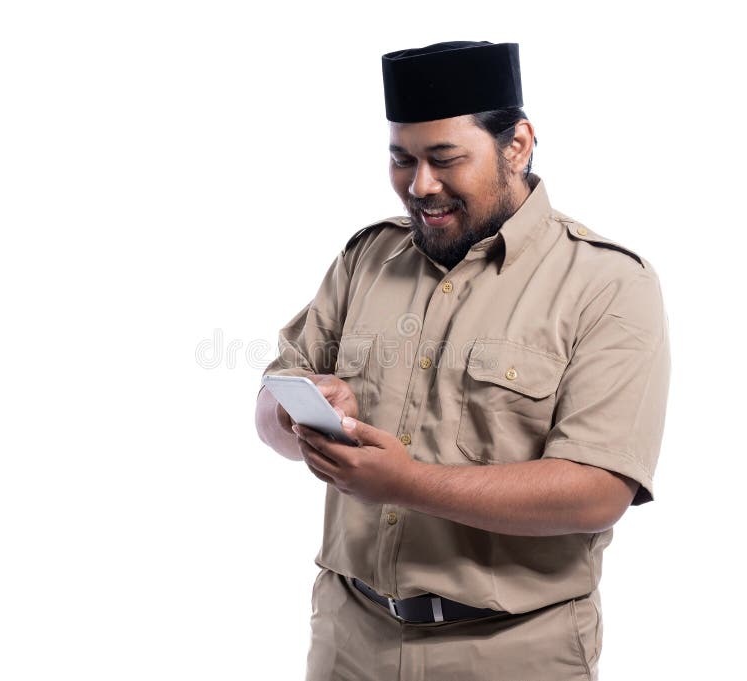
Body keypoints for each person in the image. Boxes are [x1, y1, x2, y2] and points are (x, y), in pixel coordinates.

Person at [254, 40, 670, 681]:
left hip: (511, 653)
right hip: (347, 640)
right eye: (402, 160)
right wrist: (302, 414)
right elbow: (273, 398)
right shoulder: (368, 258)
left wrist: (405, 483)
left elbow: (597, 490)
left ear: (518, 144)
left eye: (445, 159)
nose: (420, 186)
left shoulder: (608, 284)